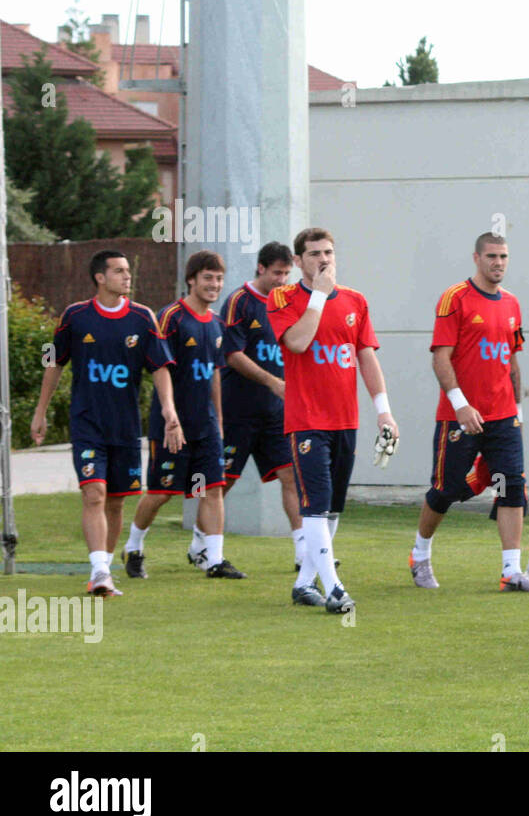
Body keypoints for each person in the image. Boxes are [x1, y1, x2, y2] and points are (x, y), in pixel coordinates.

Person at [30, 250, 182, 596]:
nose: (127, 276)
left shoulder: (143, 317)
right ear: (100, 277)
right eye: (119, 271)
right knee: (94, 494)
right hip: (87, 424)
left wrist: (168, 410)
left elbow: (159, 366)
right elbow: (53, 362)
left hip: (126, 427)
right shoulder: (75, 316)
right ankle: (99, 572)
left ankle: (106, 567)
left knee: (116, 501)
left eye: (128, 270)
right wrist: (40, 412)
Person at [268, 227, 399, 613]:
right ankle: (335, 588)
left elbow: (366, 357)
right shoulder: (283, 297)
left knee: (333, 506)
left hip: (345, 419)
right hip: (307, 419)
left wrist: (384, 410)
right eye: (313, 254)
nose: (323, 259)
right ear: (297, 261)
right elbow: (297, 342)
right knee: (315, 504)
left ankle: (305, 583)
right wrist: (320, 296)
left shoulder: (356, 300)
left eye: (328, 252)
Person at [409, 233, 529, 592]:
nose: (499, 262)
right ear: (477, 258)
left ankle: (511, 571)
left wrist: (518, 412)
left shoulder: (512, 303)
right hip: (459, 416)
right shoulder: (456, 298)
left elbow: (511, 360)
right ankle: (419, 554)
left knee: (512, 486)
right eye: (492, 256)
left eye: (504, 256)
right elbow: (440, 357)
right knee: (447, 488)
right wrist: (460, 403)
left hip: (503, 416)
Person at [123, 250, 244, 580]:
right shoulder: (171, 317)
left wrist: (218, 420)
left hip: (206, 426)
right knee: (162, 493)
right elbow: (159, 368)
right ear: (191, 280)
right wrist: (171, 419)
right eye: (207, 278)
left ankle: (214, 560)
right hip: (171, 426)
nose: (214, 284)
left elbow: (216, 373)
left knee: (212, 488)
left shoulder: (218, 324)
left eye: (219, 278)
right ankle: (133, 548)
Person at [219, 242, 321, 600]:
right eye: (275, 273)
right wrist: (272, 382)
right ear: (259, 269)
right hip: (239, 409)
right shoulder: (239, 301)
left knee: (291, 474)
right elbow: (231, 355)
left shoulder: (292, 302)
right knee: (222, 482)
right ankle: (204, 547)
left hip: (278, 412)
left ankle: (302, 552)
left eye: (285, 273)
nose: (281, 279)